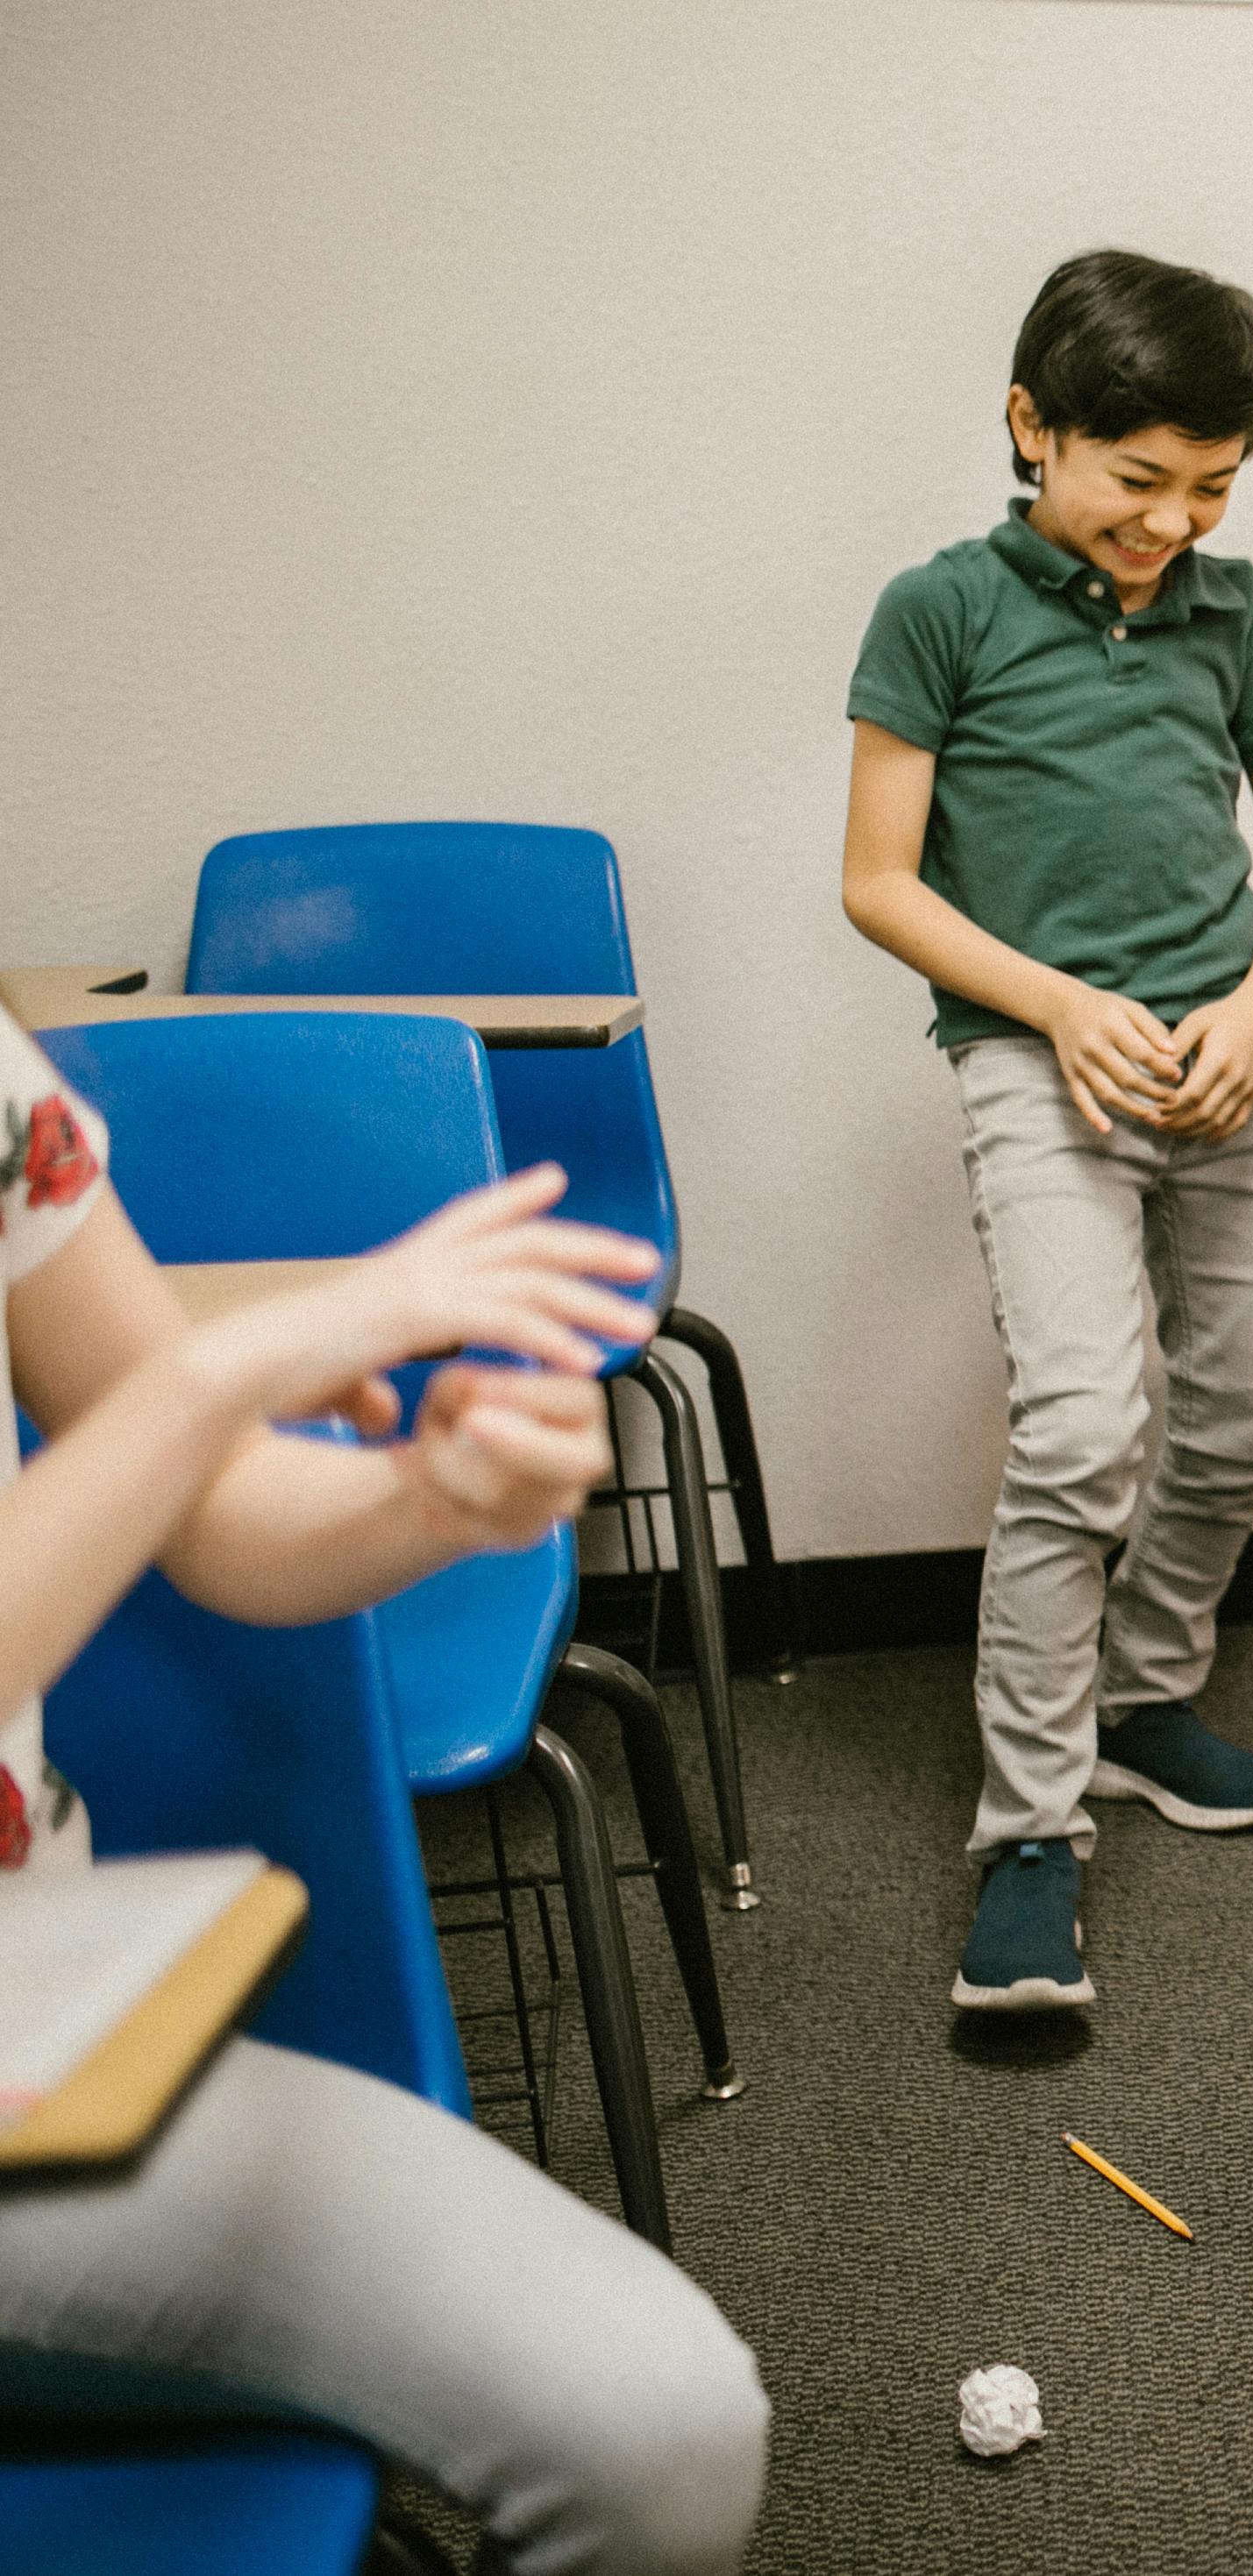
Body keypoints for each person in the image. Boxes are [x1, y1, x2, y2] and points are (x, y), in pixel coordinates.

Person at [0, 1011, 769, 2573]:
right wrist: (224, 1370)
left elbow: (216, 1504)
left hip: (38, 2038)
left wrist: (430, 1496)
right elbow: (187, 1416)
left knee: (663, 2429)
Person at [841, 247, 1253, 2012]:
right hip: (1034, 1065)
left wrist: (1252, 1014)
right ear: (1029, 426)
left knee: (1245, 1413)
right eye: (1138, 479)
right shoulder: (938, 612)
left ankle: (1141, 1697)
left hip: (1224, 1064)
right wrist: (1058, 1008)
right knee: (1080, 1432)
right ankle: (1032, 1830)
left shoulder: (1237, 611)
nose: (1171, 523)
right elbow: (878, 882)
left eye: (1213, 487)